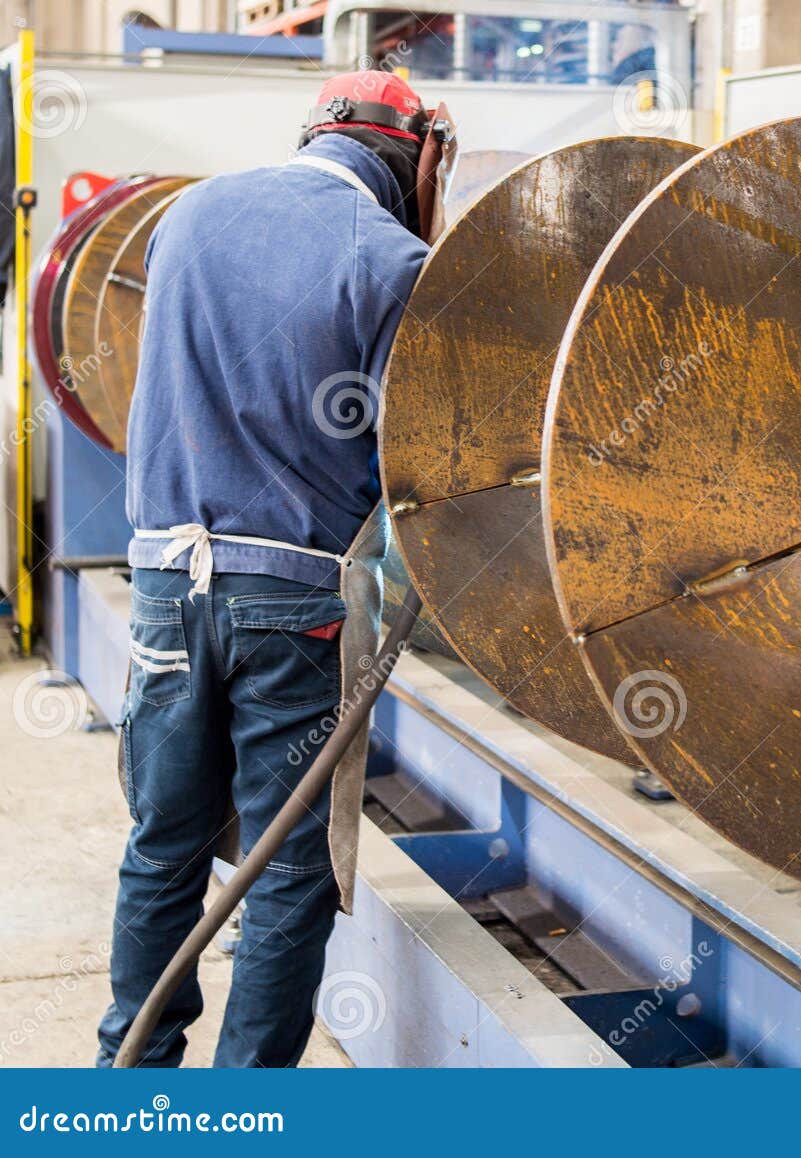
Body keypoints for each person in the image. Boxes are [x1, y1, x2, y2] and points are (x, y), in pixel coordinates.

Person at [97, 71, 440, 1067]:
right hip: (293, 604)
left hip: (165, 586)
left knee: (163, 841)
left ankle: (131, 1084)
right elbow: (406, 458)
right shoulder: (394, 259)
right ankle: (250, 1104)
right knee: (287, 870)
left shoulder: (188, 213)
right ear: (417, 163)